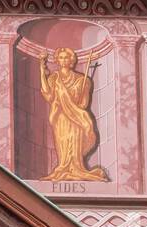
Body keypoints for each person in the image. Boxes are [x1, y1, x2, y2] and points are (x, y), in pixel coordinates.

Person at [40, 48, 107, 182]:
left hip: (76, 118)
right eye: (61, 57)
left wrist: (79, 95)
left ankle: (76, 168)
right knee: (63, 142)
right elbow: (48, 94)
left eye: (66, 58)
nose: (64, 60)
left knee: (75, 143)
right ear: (57, 60)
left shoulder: (82, 80)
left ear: (71, 60)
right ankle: (63, 167)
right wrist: (42, 71)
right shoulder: (54, 78)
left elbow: (83, 104)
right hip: (61, 117)